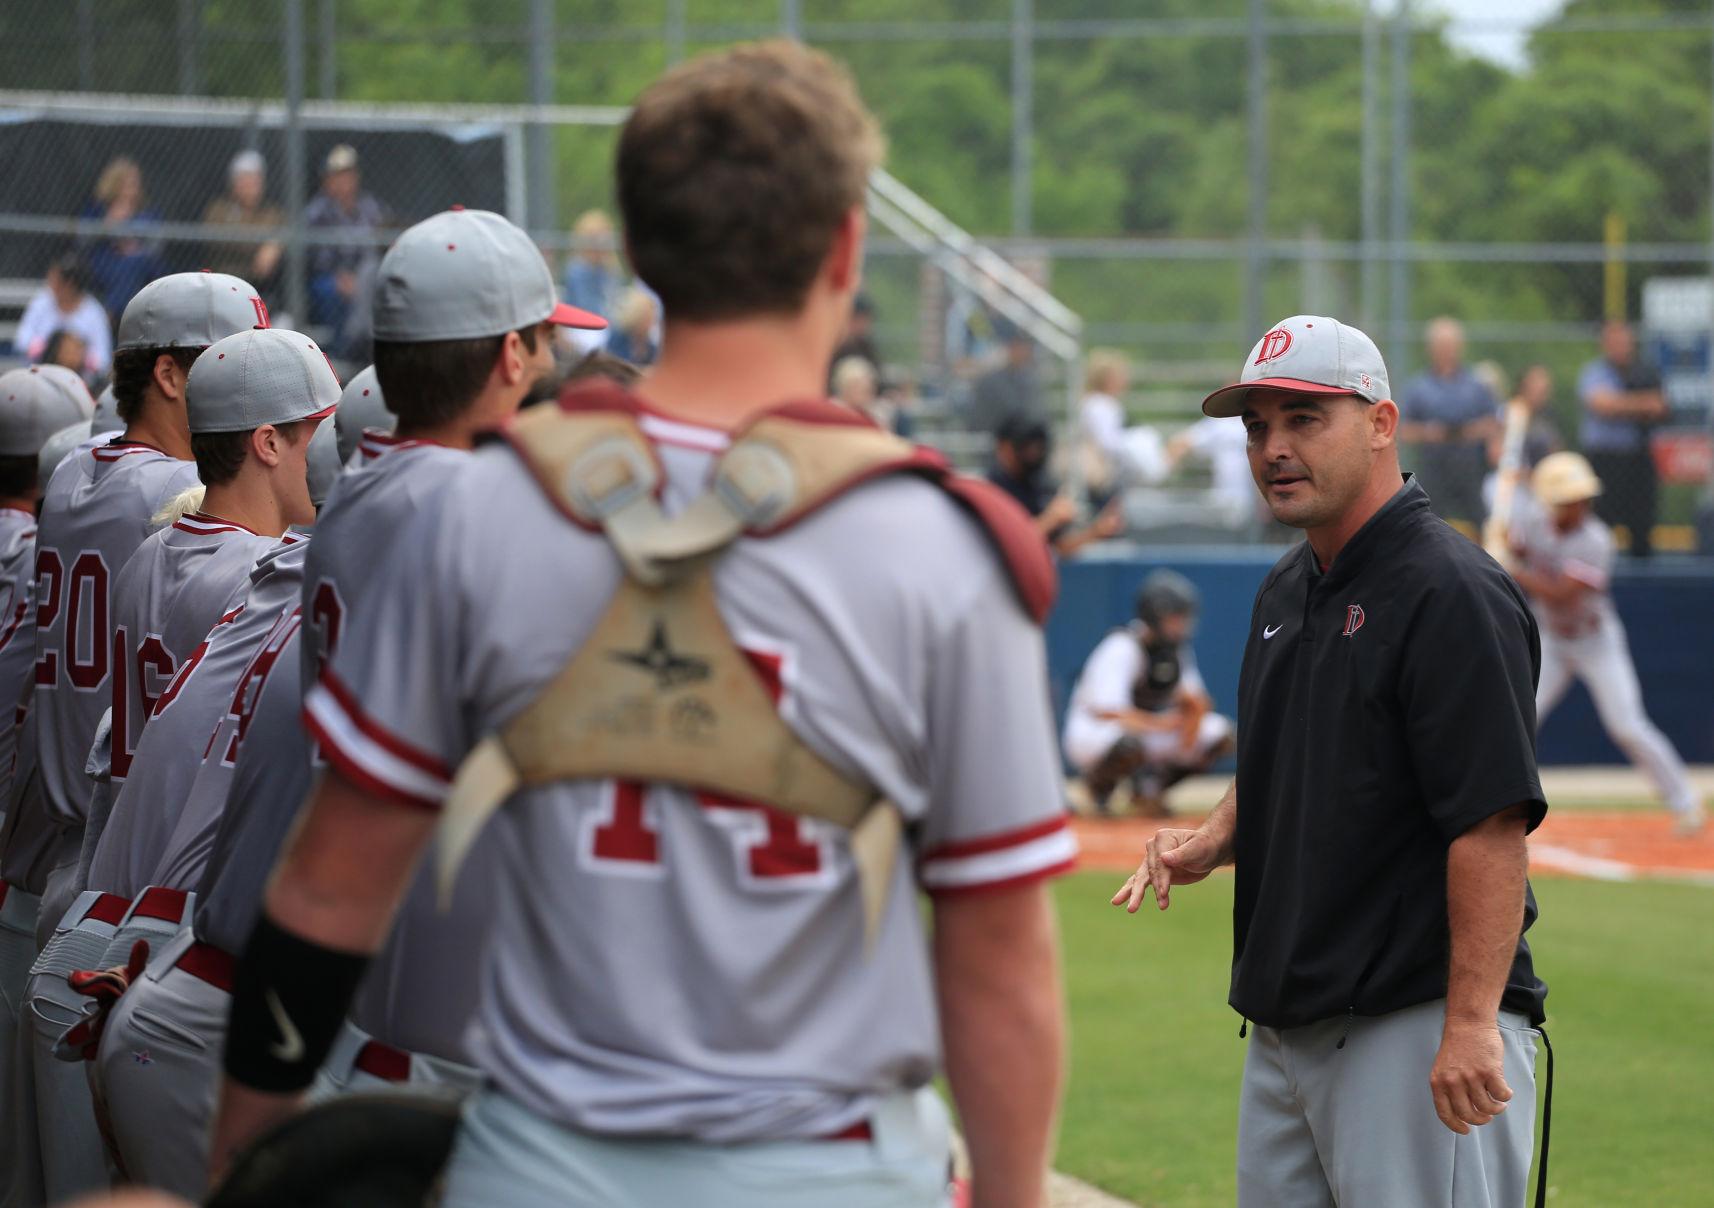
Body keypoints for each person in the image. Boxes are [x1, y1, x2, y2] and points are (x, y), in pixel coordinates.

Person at [211, 41, 1072, 1207]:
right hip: (827, 1171)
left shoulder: (478, 512)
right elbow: (999, 960)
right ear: (844, 248)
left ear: (640, 251)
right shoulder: (942, 546)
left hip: (541, 1167)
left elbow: (326, 892)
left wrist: (237, 1163)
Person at [1114, 314, 1548, 1208]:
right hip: (1287, 1026)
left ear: (1382, 423)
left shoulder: (1450, 589)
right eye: (1257, 426)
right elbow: (1286, 757)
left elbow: (1491, 821)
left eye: (1304, 419)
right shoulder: (1287, 585)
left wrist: (1472, 1023)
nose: (1273, 447)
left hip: (1415, 1022)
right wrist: (1215, 837)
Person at [0, 272, 263, 1206]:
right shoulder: (184, 500)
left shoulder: (76, 474)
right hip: (131, 890)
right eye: (226, 363)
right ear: (170, 376)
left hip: (62, 863)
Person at [1509, 452, 1705, 836]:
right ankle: (1500, 804)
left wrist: (1511, 569)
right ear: (1551, 503)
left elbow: (1562, 593)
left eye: (1582, 498)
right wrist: (1504, 544)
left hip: (1596, 642)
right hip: (1551, 641)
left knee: (1627, 725)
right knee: (1519, 716)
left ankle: (1684, 801)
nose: (1579, 505)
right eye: (1569, 500)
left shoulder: (1596, 539)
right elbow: (1517, 544)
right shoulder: (1532, 520)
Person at [1062, 570, 1233, 818]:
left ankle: (1149, 792)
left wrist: (1192, 719)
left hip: (1149, 729)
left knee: (1219, 734)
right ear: (1155, 614)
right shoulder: (1122, 646)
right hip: (1094, 733)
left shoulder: (1176, 650)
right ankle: (1099, 786)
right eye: (1175, 617)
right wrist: (1161, 723)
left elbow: (1196, 699)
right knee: (1129, 743)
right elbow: (1109, 712)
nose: (1182, 624)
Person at [1397, 316, 1499, 530]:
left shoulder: (1476, 385)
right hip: (1434, 468)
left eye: (1450, 345)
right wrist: (1429, 432)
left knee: (1480, 522)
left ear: (1460, 347)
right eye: (1440, 345)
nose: (1446, 351)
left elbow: (1494, 423)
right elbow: (1404, 430)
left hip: (1469, 468)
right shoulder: (1419, 387)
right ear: (1430, 348)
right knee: (1428, 523)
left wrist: (1472, 431)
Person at [1578, 320, 1667, 557]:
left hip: (1637, 455)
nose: (1621, 347)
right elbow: (1602, 405)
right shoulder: (1595, 372)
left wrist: (1621, 404)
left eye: (1625, 341)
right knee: (1601, 520)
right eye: (1614, 342)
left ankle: (1643, 569)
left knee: (1642, 520)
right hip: (1605, 457)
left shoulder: (1644, 371)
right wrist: (1641, 403)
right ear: (1605, 344)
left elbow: (1660, 406)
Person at [988, 413, 1124, 557]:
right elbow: (1009, 546)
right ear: (1004, 447)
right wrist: (1049, 520)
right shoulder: (991, 491)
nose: (1033, 454)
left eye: (1037, 447)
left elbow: (1058, 547)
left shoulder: (1039, 485)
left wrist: (1095, 532)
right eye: (1027, 447)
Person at [304, 144, 387, 359]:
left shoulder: (370, 207)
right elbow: (315, 258)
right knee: (329, 291)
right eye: (337, 175)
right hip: (329, 277)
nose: (343, 181)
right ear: (326, 180)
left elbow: (379, 246)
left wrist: (360, 278)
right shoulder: (317, 210)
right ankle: (340, 356)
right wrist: (341, 277)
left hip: (365, 275)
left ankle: (370, 349)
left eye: (347, 174)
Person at [79, 157, 168, 324]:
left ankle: (108, 317)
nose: (133, 188)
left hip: (140, 261)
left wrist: (135, 245)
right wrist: (107, 224)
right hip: (106, 260)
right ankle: (126, 320)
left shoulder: (146, 211)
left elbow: (157, 245)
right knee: (125, 271)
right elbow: (82, 240)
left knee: (131, 266)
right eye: (128, 184)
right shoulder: (98, 209)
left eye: (136, 183)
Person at [202, 149, 286, 298]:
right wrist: (260, 243)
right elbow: (220, 239)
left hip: (259, 279)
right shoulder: (219, 209)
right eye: (245, 180)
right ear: (233, 183)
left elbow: (284, 229)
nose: (251, 185)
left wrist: (274, 244)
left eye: (255, 180)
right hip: (226, 279)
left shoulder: (271, 211)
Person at [14, 255, 113, 379]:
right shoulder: (42, 301)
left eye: (54, 280)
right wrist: (43, 348)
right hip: (39, 374)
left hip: (80, 379)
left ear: (69, 284)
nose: (49, 283)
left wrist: (83, 359)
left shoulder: (94, 312)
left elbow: (103, 358)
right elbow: (21, 339)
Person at [970, 322, 1043, 435]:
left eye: (1026, 348)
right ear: (1011, 347)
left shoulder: (1026, 379)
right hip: (993, 436)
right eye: (1019, 347)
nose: (1024, 353)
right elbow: (1012, 410)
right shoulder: (992, 381)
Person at [561, 209, 623, 322]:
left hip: (606, 323)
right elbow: (587, 308)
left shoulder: (608, 267)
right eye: (595, 239)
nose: (600, 244)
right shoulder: (577, 271)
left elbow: (614, 300)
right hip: (581, 324)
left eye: (604, 239)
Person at [830, 293, 881, 383]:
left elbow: (877, 374)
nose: (863, 325)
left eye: (866, 320)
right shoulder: (835, 346)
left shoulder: (865, 346)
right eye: (859, 319)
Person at [603, 286, 659, 366]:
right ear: (636, 317)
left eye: (652, 319)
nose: (651, 324)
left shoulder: (652, 349)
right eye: (647, 319)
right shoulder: (617, 340)